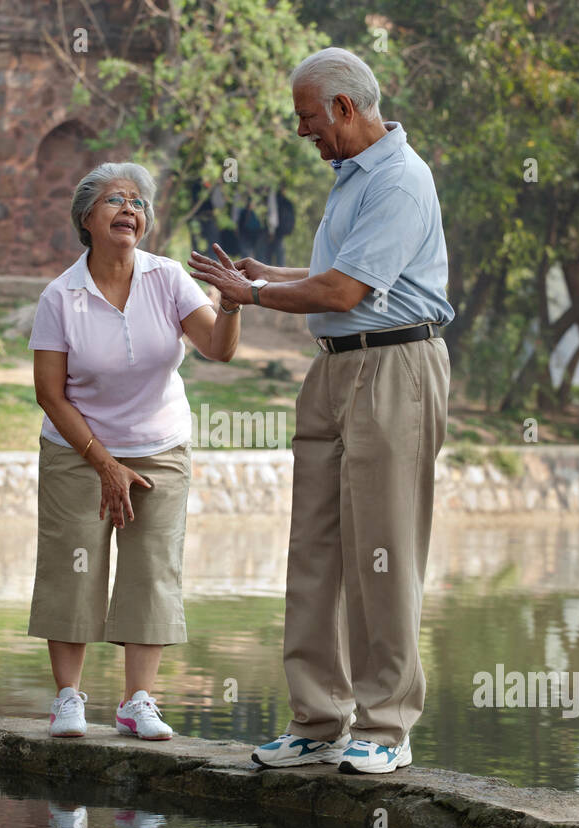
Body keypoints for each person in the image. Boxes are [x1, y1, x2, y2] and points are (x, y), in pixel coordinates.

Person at [189, 48, 453, 774]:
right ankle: (317, 719)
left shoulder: (400, 179)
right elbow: (336, 276)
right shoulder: (351, 180)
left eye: (308, 117)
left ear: (343, 107)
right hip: (336, 370)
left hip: (396, 367)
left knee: (383, 549)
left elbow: (346, 294)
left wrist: (255, 299)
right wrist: (268, 275)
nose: (304, 132)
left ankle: (386, 728)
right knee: (315, 549)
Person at [29, 162, 241, 740]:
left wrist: (231, 303)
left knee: (152, 569)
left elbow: (218, 349)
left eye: (138, 202)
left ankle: (137, 701)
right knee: (73, 564)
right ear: (86, 219)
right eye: (115, 200)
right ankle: (68, 699)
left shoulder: (168, 278)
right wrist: (103, 463)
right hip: (79, 448)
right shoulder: (60, 296)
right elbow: (49, 393)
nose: (130, 209)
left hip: (159, 445)